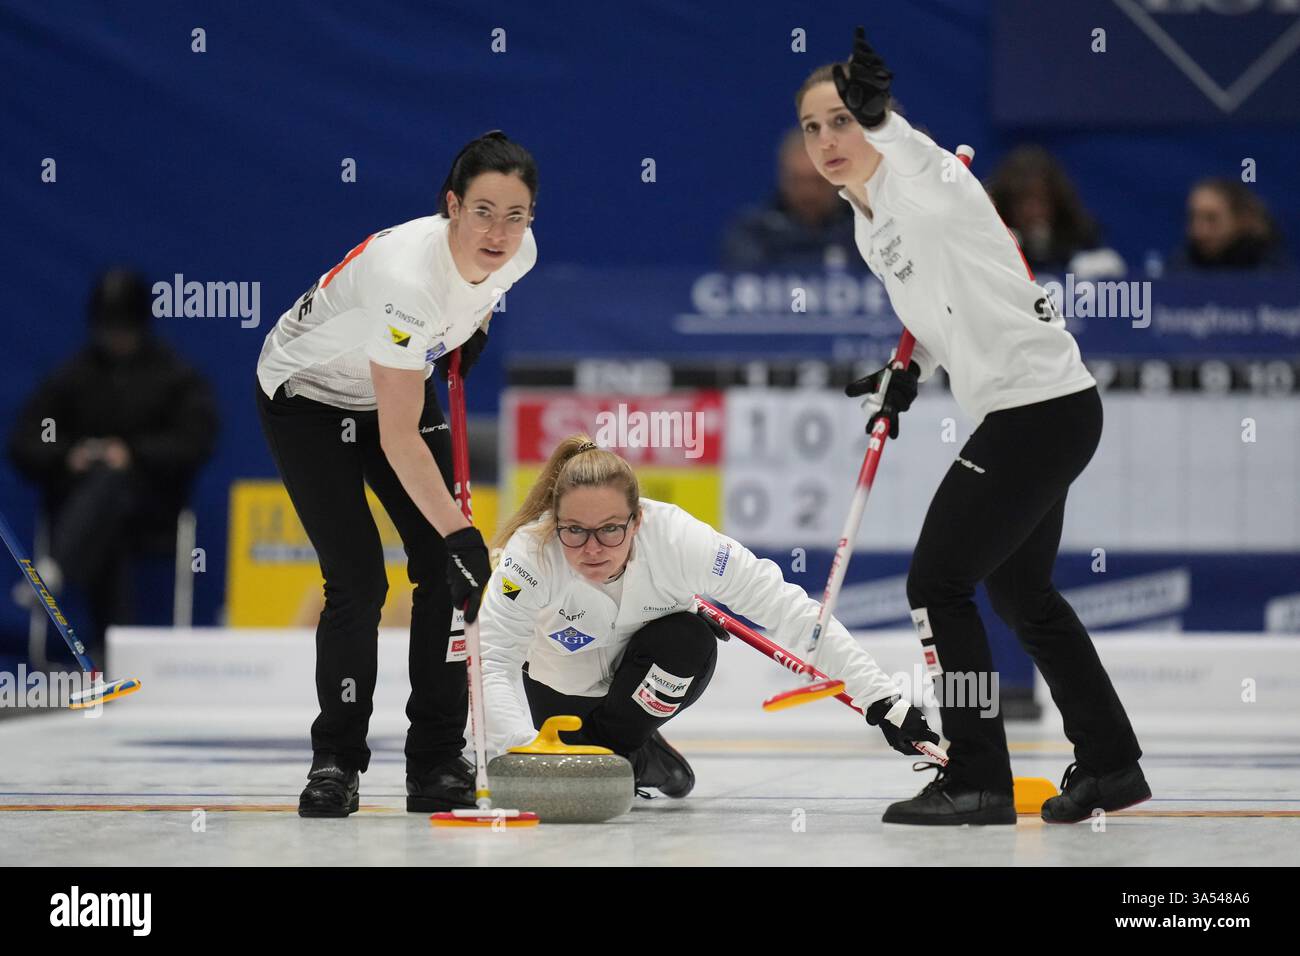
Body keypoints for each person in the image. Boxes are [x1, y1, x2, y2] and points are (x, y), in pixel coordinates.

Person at [792, 28, 1148, 825]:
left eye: (843, 119)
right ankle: (1112, 764)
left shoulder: (928, 177)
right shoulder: (865, 219)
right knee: (1023, 594)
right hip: (1036, 408)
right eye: (813, 127)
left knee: (936, 583)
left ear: (879, 120)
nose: (827, 139)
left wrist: (880, 116)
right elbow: (950, 302)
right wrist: (906, 372)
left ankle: (977, 774)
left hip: (1037, 411)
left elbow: (908, 152)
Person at [254, 131, 538, 818]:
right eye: (482, 211)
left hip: (393, 384)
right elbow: (398, 433)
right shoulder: (405, 277)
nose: (499, 232)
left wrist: (467, 333)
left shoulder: (520, 255)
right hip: (307, 398)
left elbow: (466, 306)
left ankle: (437, 757)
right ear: (451, 206)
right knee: (357, 581)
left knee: (442, 572)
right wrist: (462, 533)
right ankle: (336, 761)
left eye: (516, 213)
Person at [477, 435, 938, 798]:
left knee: (687, 640)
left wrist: (882, 699)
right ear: (555, 521)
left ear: (637, 520)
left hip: (645, 677)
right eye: (574, 531)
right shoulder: (531, 556)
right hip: (561, 688)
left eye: (610, 529)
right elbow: (492, 659)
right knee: (569, 761)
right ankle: (643, 760)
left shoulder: (681, 541)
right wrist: (521, 746)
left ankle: (623, 750)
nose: (592, 547)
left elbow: (789, 609)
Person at [8, 267, 218, 662]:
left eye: (123, 329)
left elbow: (194, 441)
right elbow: (27, 440)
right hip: (82, 508)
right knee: (107, 513)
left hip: (152, 505)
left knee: (114, 492)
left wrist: (134, 454)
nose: (115, 339)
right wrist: (67, 455)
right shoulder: (72, 377)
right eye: (108, 329)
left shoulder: (173, 377)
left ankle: (56, 572)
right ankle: (113, 652)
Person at [721, 129, 863, 271]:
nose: (809, 193)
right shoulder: (754, 233)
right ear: (783, 178)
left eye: (818, 181)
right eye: (799, 181)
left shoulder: (864, 227)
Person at [985, 145, 1125, 279]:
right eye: (1022, 203)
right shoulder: (994, 242)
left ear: (1056, 201)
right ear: (1007, 203)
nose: (1033, 212)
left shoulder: (1080, 238)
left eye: (1041, 200)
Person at [1168, 177, 1289, 273]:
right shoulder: (1177, 271)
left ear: (1241, 220)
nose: (1199, 231)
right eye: (1193, 218)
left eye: (1212, 219)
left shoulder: (1271, 273)